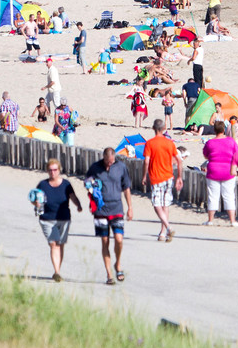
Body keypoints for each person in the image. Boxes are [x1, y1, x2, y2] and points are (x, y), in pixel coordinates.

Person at [85, 148, 134, 285]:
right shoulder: (95, 168)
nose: (109, 165)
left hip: (117, 207)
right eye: (107, 162)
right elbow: (87, 183)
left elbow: (126, 188)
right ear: (104, 158)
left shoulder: (121, 167)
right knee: (105, 241)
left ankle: (117, 264)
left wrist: (130, 207)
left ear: (114, 159)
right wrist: (92, 195)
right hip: (100, 210)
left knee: (119, 239)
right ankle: (109, 275)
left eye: (111, 162)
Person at [33, 158, 83, 282]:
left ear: (59, 170)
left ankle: (57, 270)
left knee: (60, 244)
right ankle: (56, 272)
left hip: (64, 218)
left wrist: (78, 205)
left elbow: (73, 196)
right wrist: (36, 203)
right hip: (47, 219)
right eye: (50, 170)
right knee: (53, 243)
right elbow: (35, 198)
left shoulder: (66, 184)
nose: (53, 172)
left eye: (55, 170)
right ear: (47, 171)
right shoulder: (42, 185)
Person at [143, 119, 183, 242]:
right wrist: (179, 177)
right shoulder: (169, 143)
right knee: (165, 204)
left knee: (157, 204)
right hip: (168, 176)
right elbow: (179, 160)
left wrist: (144, 175)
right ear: (164, 128)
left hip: (156, 177)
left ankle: (168, 228)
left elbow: (146, 161)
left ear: (153, 128)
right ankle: (162, 232)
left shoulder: (150, 143)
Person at [202, 120, 238, 226]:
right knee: (229, 196)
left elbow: (206, 155)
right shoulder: (231, 141)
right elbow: (236, 154)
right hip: (228, 170)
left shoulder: (210, 142)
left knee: (213, 196)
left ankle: (210, 220)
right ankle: (232, 221)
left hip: (213, 170)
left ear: (214, 130)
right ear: (224, 130)